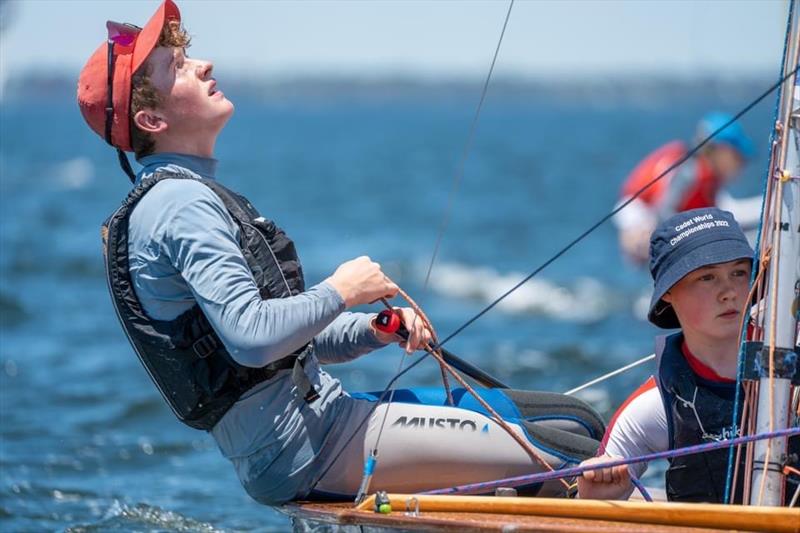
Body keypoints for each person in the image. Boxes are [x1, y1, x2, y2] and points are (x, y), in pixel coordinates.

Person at [78, 0, 605, 505]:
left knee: (575, 421)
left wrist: (371, 329)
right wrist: (341, 290)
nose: (204, 63)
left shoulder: (181, 194)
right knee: (578, 456)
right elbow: (251, 340)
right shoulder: (179, 204)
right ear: (151, 121)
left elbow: (280, 343)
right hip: (308, 449)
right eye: (179, 65)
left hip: (323, 420)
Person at [579, 207, 755, 502]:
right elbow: (584, 515)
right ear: (668, 293)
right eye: (707, 277)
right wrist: (596, 497)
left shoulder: (792, 369)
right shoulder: (651, 409)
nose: (729, 292)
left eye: (738, 273)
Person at [614, 114, 755, 265]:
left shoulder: (708, 177)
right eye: (738, 156)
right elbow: (664, 214)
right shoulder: (690, 172)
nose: (742, 164)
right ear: (720, 150)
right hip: (642, 223)